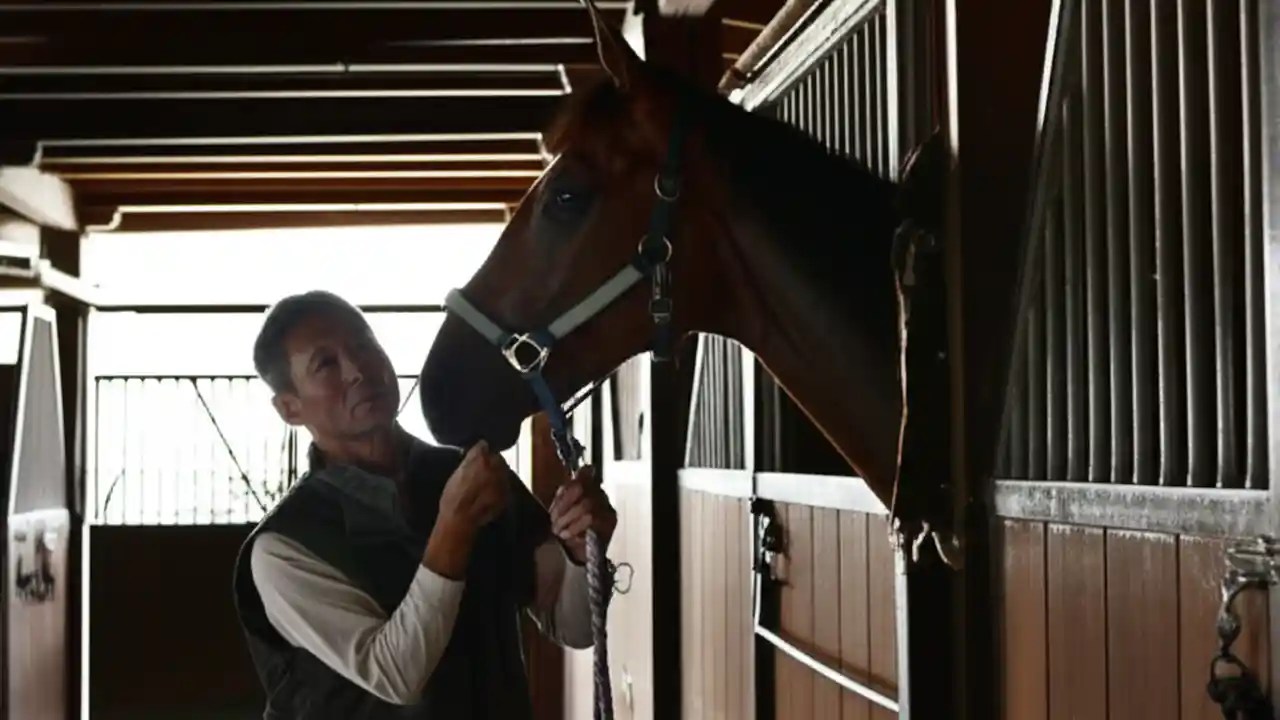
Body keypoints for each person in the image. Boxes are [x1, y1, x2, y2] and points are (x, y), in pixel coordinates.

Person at [231, 290, 617, 719]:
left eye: (364, 345)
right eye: (326, 364)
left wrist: (583, 553)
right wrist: (454, 528)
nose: (359, 370)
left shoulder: (472, 473)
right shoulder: (285, 548)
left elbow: (573, 625)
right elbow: (396, 675)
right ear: (290, 408)